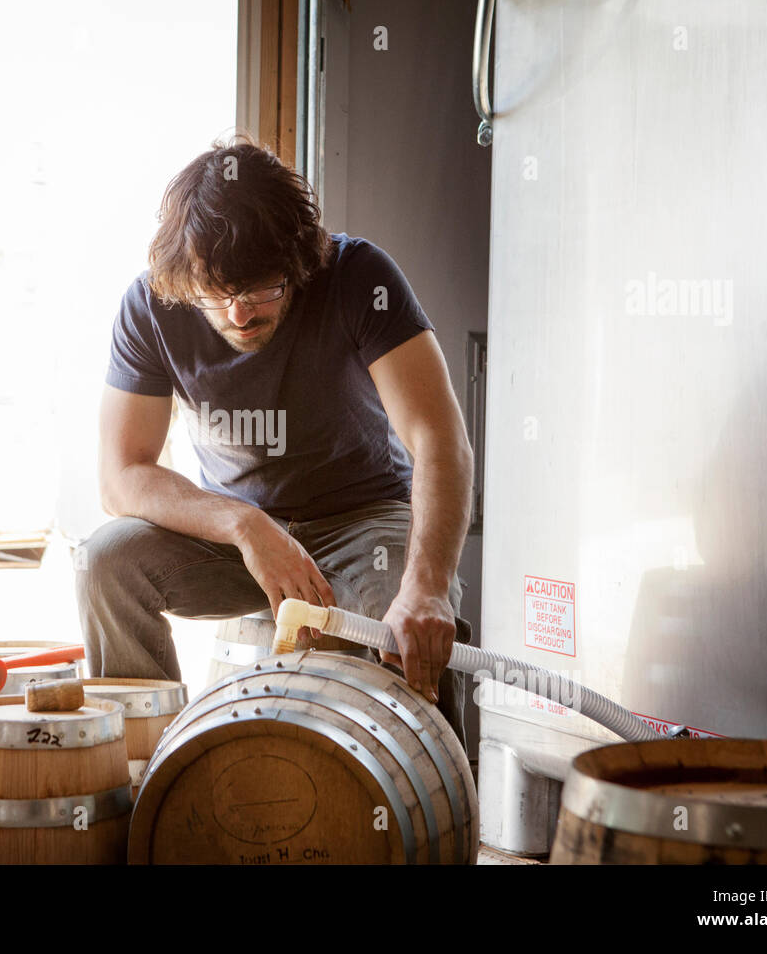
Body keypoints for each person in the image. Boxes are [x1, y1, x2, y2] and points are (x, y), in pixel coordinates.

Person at [75, 137, 475, 746]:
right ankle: (153, 778)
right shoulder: (152, 304)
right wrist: (244, 526)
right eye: (217, 295)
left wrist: (427, 589)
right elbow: (121, 475)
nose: (238, 315)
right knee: (106, 562)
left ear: (299, 261)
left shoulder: (359, 275)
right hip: (234, 533)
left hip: (362, 519)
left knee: (406, 616)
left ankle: (434, 819)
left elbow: (439, 439)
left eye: (261, 289)